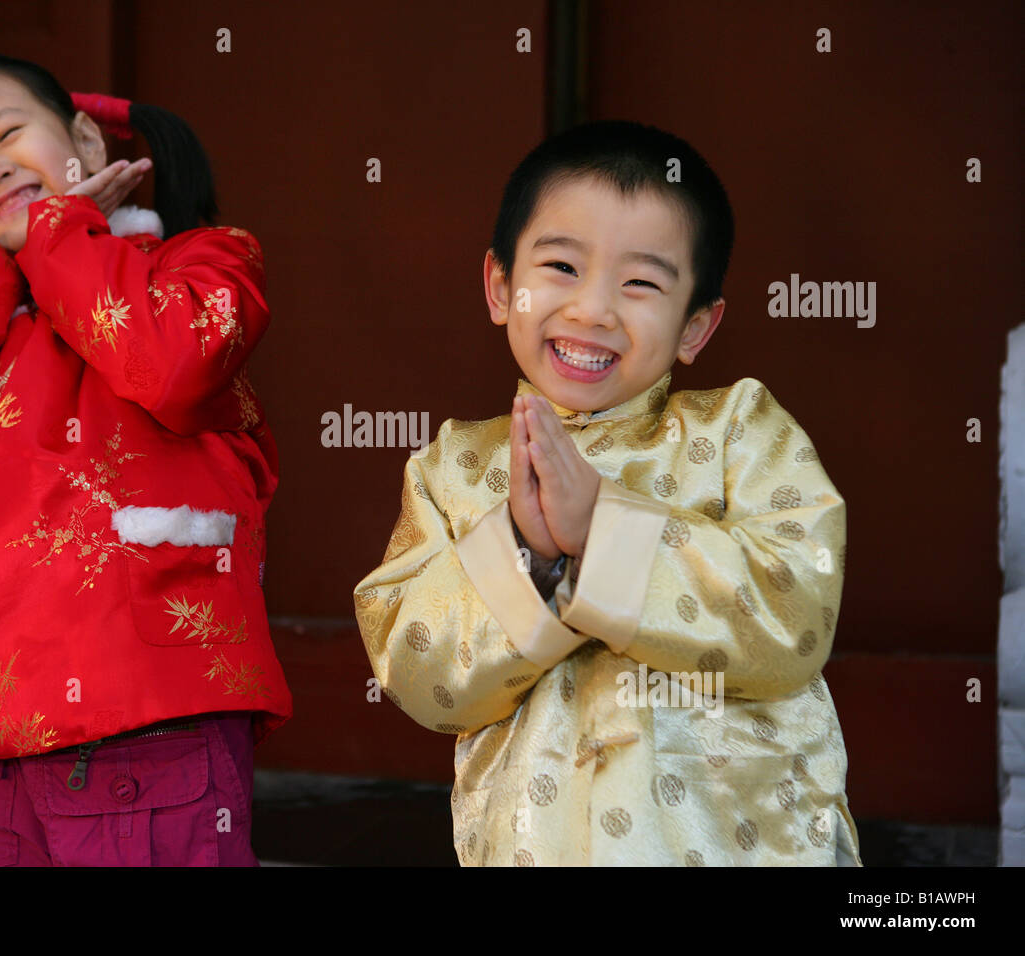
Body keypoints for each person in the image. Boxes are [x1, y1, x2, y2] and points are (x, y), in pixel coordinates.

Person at [354, 120, 862, 866]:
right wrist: (525, 549)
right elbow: (420, 674)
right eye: (561, 266)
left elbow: (796, 617)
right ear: (500, 286)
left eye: (641, 283)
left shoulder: (739, 433)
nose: (593, 309)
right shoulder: (456, 468)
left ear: (696, 325)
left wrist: (603, 528)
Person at [0, 54, 290, 866]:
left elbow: (173, 363)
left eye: (9, 134)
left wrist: (56, 231)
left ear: (86, 139)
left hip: (149, 722)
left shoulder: (203, 262)